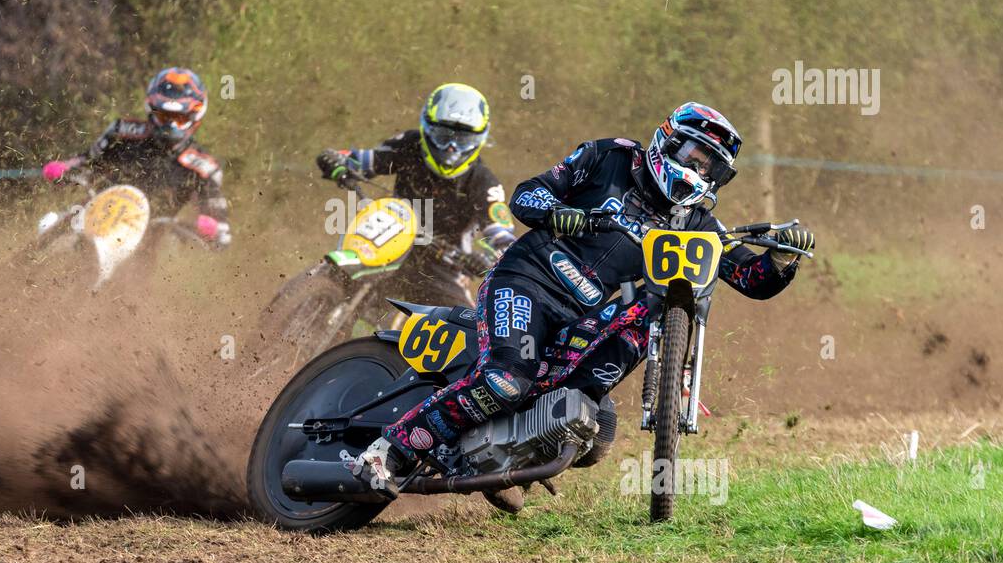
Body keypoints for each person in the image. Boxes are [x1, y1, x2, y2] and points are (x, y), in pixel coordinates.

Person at [353, 101, 815, 503]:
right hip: (525, 282)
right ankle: (391, 449)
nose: (699, 171)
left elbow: (752, 280)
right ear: (668, 142)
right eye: (694, 156)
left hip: (580, 316)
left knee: (596, 425)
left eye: (711, 167)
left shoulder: (697, 223)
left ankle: (506, 453)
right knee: (507, 380)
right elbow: (525, 196)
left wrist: (779, 258)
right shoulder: (608, 157)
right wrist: (560, 214)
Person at [315, 82, 516, 305]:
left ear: (479, 140)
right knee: (341, 274)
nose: (451, 148)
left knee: (466, 329)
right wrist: (336, 160)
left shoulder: (484, 182)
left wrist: (488, 259)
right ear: (427, 128)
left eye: (462, 140)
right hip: (387, 240)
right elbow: (362, 160)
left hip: (443, 265)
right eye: (443, 135)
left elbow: (502, 237)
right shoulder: (410, 144)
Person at [42, 67, 231, 248]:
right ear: (152, 109)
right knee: (55, 228)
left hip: (147, 243)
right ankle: (22, 263)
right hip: (95, 214)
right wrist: (64, 169)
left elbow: (222, 232)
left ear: (195, 116)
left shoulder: (204, 167)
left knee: (164, 253)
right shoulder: (122, 133)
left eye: (179, 118)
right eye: (165, 116)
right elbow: (87, 161)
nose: (171, 125)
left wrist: (211, 228)